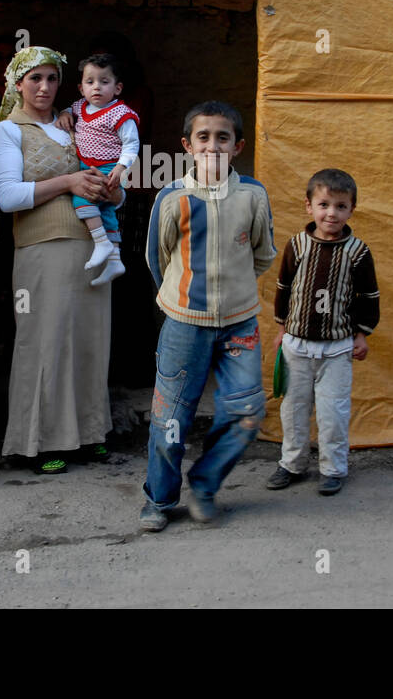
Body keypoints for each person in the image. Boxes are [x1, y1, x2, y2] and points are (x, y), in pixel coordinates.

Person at [139, 101, 276, 532]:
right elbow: (158, 259)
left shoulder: (252, 195)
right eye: (204, 137)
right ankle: (159, 500)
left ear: (238, 146)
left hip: (240, 324)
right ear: (187, 145)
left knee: (246, 411)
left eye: (223, 138)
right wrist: (186, 298)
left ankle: (205, 485)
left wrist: (230, 291)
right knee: (170, 419)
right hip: (184, 324)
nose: (213, 145)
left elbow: (260, 254)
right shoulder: (171, 198)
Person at [0, 46, 119, 474]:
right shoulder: (10, 130)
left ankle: (90, 433)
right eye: (34, 79)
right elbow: (8, 197)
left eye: (51, 78)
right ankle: (44, 441)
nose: (44, 87)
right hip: (41, 249)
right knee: (45, 342)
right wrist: (68, 182)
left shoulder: (77, 123)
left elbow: (104, 178)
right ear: (17, 84)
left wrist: (109, 189)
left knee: (90, 340)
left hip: (93, 245)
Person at [267, 168, 379, 497]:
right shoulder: (297, 245)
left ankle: (332, 468)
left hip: (337, 348)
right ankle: (292, 463)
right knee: (293, 408)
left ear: (351, 209)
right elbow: (283, 287)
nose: (332, 213)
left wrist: (361, 335)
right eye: (324, 204)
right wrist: (282, 328)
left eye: (341, 206)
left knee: (333, 412)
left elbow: (368, 297)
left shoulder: (358, 252)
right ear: (309, 206)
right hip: (297, 346)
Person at [55, 53, 140, 286]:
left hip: (110, 166)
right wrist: (63, 113)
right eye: (90, 82)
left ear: (118, 88)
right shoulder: (79, 107)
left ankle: (101, 242)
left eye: (105, 82)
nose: (97, 88)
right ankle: (114, 259)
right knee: (106, 211)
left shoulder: (121, 113)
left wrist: (122, 167)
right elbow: (67, 109)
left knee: (82, 200)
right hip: (88, 164)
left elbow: (132, 143)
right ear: (81, 88)